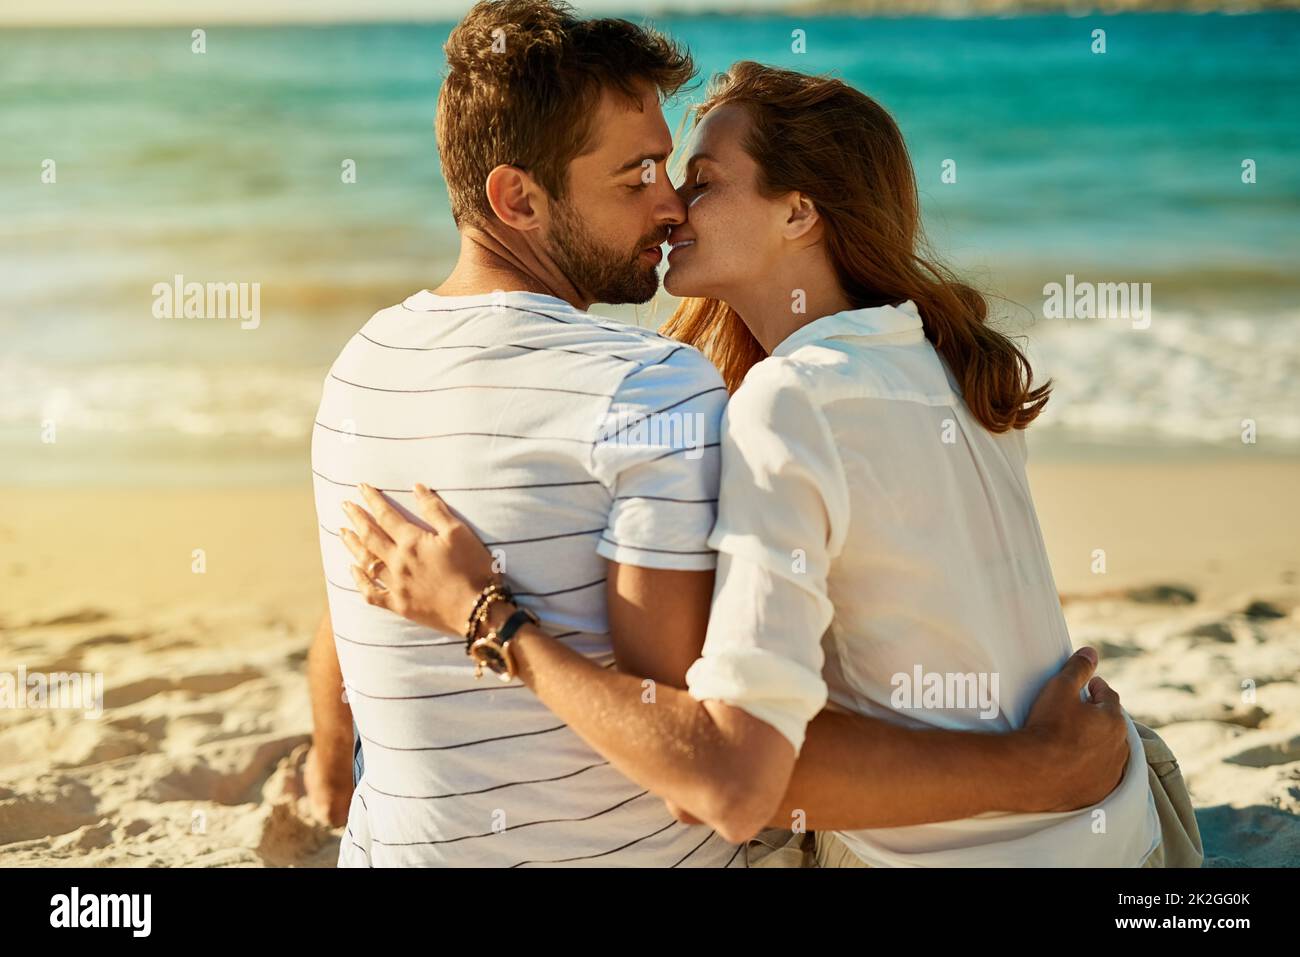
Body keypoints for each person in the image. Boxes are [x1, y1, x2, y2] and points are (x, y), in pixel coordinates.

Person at [332, 36, 1168, 867]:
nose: (671, 209)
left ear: (799, 212)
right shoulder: (949, 360)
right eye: (652, 177)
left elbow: (734, 779)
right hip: (1117, 827)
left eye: (698, 182)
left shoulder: (784, 398)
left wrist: (489, 618)